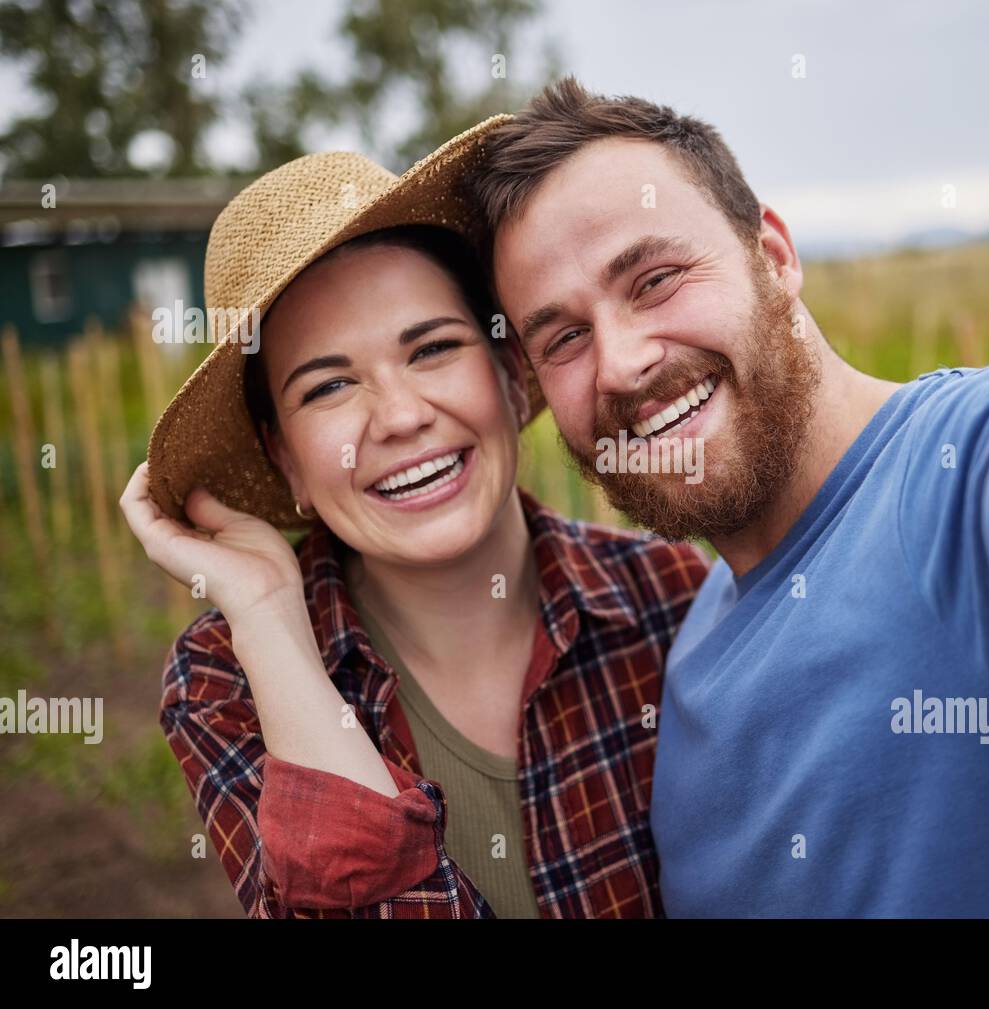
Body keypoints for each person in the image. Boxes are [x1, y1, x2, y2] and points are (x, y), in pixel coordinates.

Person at [461, 76, 989, 916]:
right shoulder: (686, 651)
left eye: (654, 280)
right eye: (564, 335)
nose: (620, 362)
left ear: (775, 258)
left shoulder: (972, 476)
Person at [119, 126, 709, 918]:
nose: (399, 417)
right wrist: (267, 615)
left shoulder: (674, 599)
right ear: (284, 456)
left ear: (507, 370)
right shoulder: (227, 679)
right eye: (328, 388)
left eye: (432, 348)